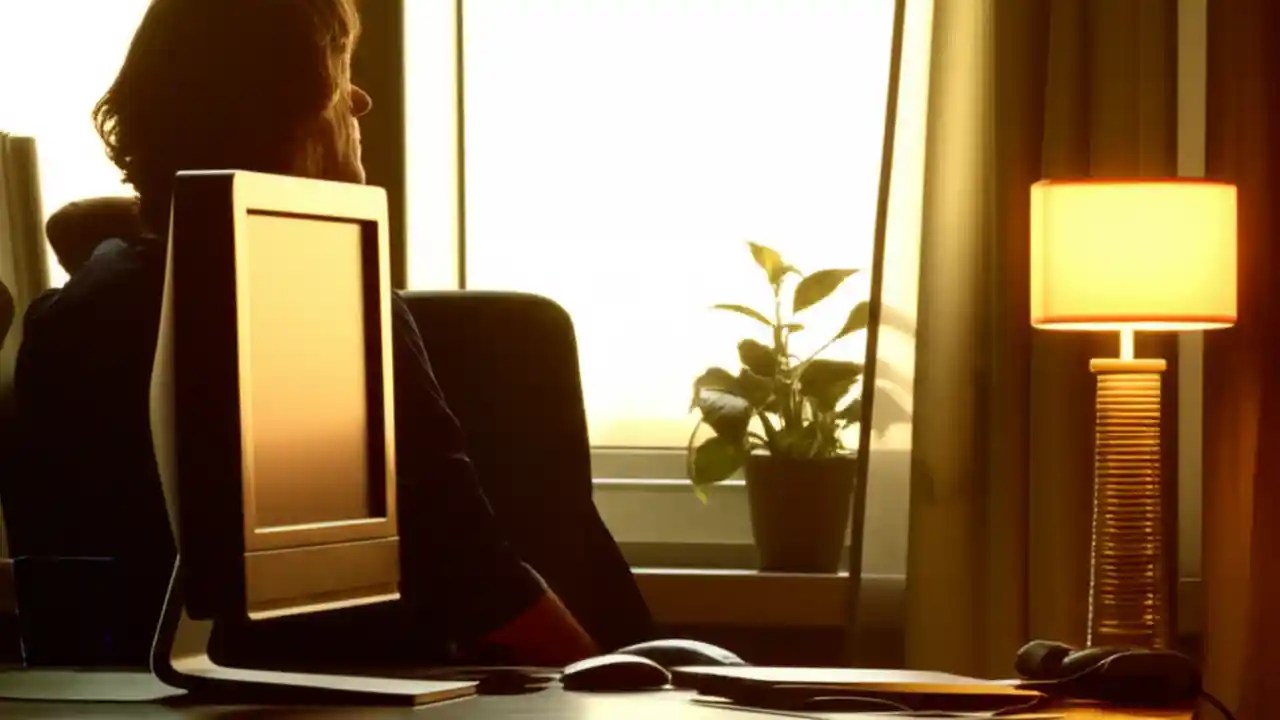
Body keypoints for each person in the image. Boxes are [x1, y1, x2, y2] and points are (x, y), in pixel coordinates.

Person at [9, 0, 597, 668]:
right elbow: (481, 585)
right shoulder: (329, 304)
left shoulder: (68, 320)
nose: (362, 100)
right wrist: (616, 684)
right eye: (341, 63)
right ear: (279, 106)